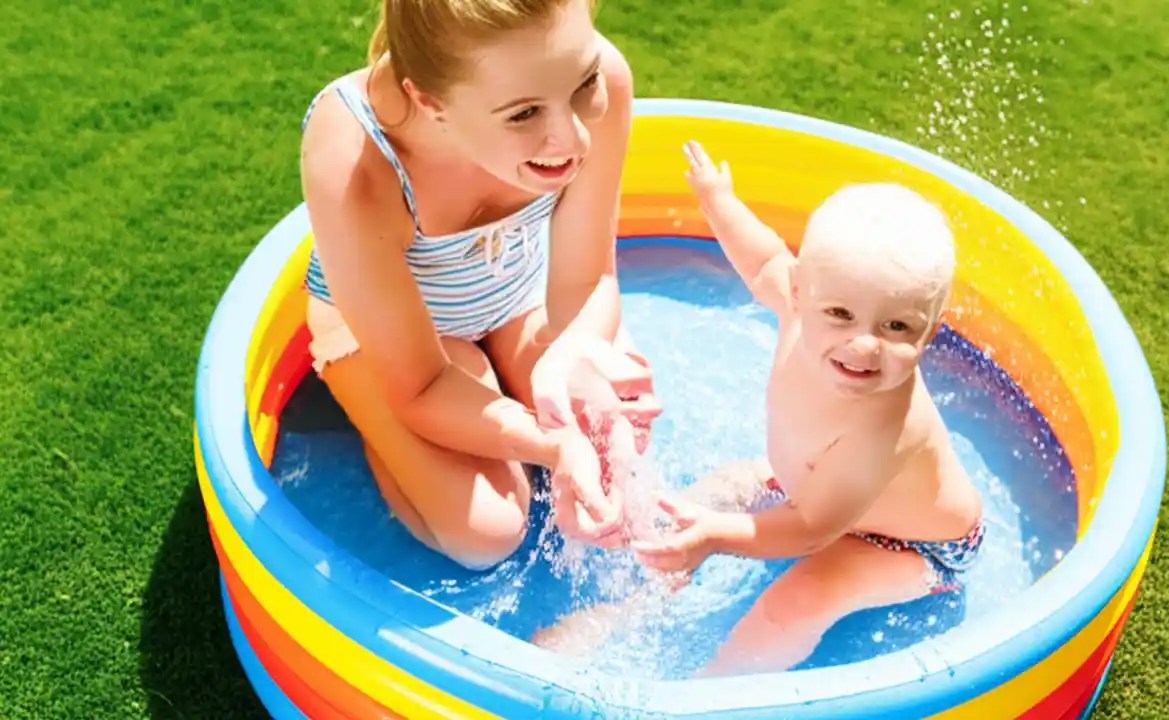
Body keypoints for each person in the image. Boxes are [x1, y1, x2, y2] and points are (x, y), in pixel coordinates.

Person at [533, 142, 985, 676]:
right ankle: (630, 603)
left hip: (912, 546)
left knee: (800, 598)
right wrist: (718, 202)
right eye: (841, 314)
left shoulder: (887, 421)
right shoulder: (796, 305)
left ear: (930, 331)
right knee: (720, 491)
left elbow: (811, 527)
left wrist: (718, 536)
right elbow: (764, 258)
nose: (864, 345)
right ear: (798, 292)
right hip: (815, 493)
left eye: (897, 327)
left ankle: (708, 699)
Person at [297, 0, 660, 571]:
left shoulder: (600, 84)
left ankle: (498, 383)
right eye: (522, 115)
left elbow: (588, 280)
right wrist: (551, 443)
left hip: (517, 288)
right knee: (487, 533)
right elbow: (421, 385)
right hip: (398, 341)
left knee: (618, 446)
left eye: (582, 81)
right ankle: (379, 432)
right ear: (429, 102)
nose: (571, 137)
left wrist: (578, 362)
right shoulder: (358, 160)